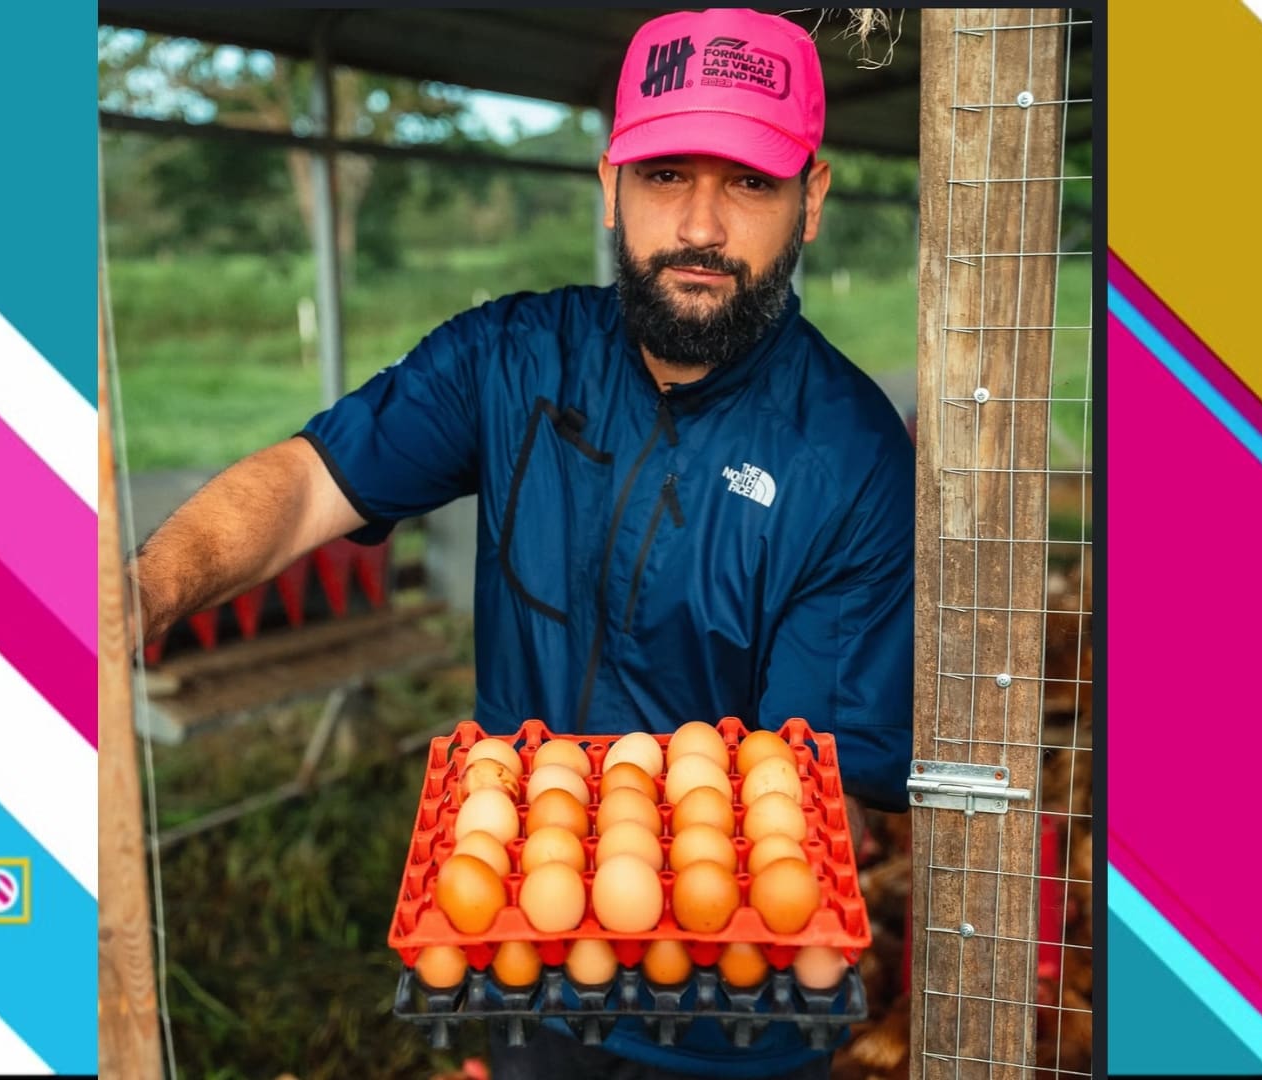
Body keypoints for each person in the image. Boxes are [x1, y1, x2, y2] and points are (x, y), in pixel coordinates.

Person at [128, 9, 912, 1078]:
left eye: (750, 183)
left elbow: (801, 803)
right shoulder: (509, 359)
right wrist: (145, 589)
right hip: (523, 967)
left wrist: (635, 851)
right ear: (608, 185)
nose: (700, 225)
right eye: (666, 175)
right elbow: (306, 484)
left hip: (742, 1008)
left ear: (811, 200)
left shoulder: (850, 457)